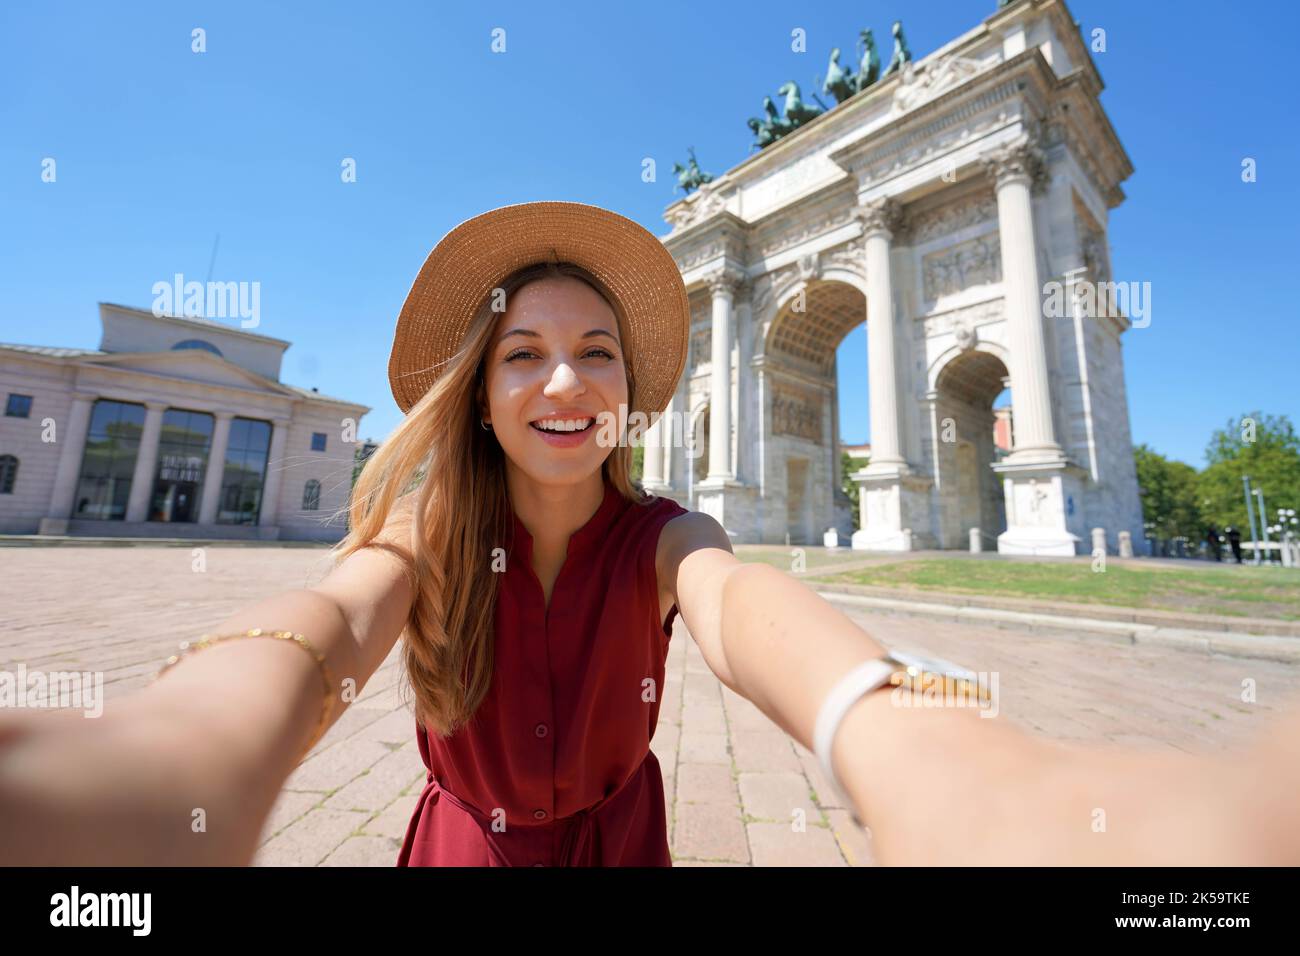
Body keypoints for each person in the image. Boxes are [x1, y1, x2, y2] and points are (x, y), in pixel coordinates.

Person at [2, 201, 1299, 867]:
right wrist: (176, 748)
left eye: (597, 353)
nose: (565, 385)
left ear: (630, 387)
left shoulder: (671, 536)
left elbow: (752, 620)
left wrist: (950, 766)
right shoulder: (423, 526)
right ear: (478, 388)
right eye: (524, 355)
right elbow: (327, 623)